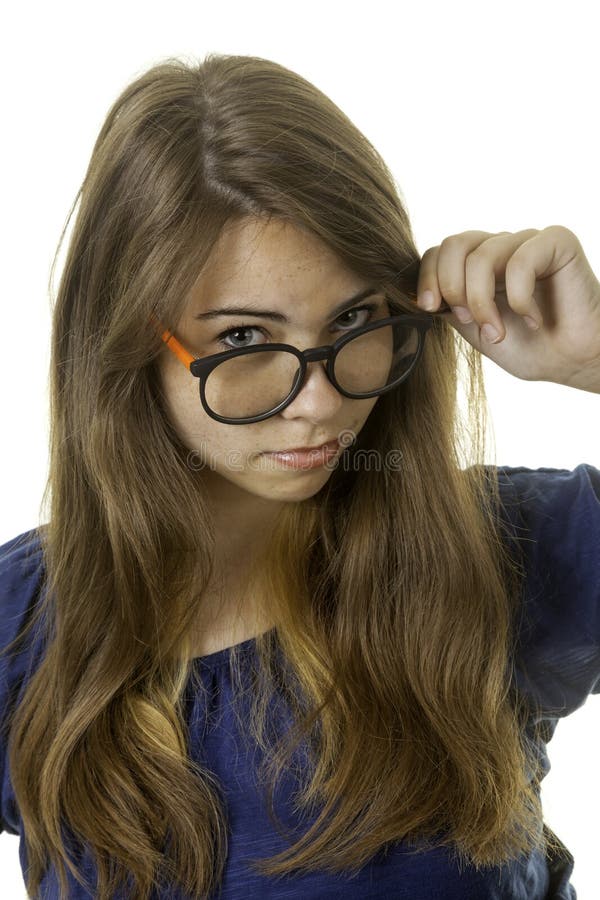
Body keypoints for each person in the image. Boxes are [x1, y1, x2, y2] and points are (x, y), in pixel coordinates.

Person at [1, 52, 599, 900]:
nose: (319, 403)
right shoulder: (23, 627)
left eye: (356, 318)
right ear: (131, 343)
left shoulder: (505, 547)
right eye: (245, 338)